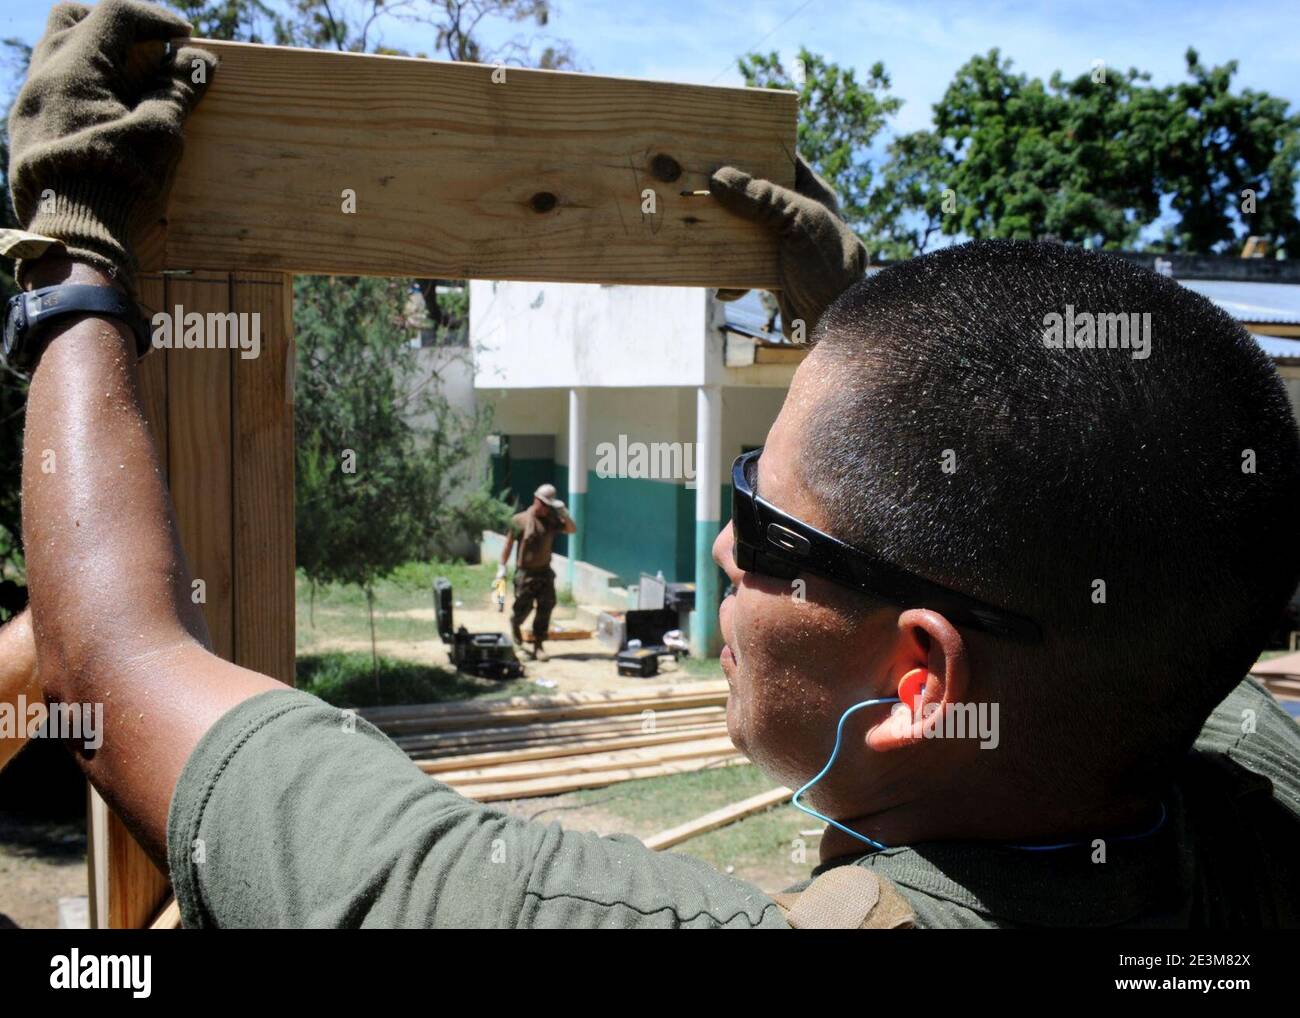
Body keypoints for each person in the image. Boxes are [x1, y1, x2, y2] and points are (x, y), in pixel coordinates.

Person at [5, 0, 1300, 929]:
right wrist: (864, 315)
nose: (726, 545)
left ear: (922, 678)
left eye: (763, 523)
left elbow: (110, 658)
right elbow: (1113, 534)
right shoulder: (1239, 782)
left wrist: (75, 259)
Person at [497, 483, 576, 661]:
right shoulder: (520, 520)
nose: (547, 509)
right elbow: (509, 544)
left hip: (544, 571)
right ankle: (515, 623)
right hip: (525, 573)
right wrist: (501, 567)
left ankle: (538, 645)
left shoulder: (552, 520)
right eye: (545, 505)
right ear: (536, 500)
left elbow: (572, 530)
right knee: (523, 608)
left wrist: (565, 514)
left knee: (546, 607)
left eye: (550, 506)